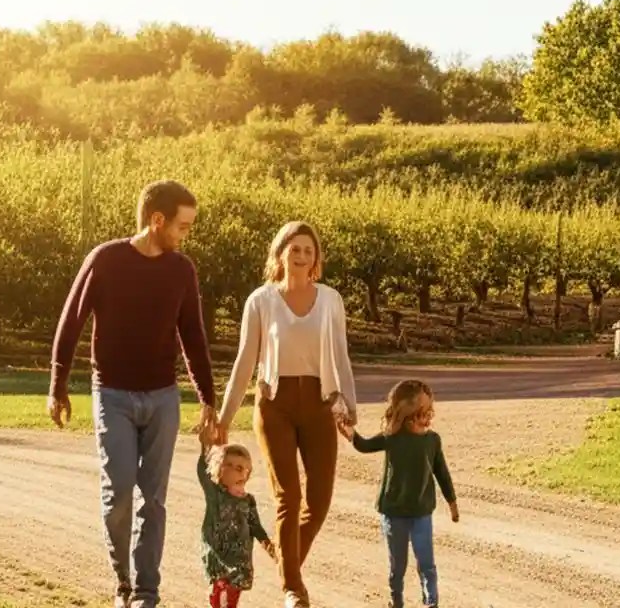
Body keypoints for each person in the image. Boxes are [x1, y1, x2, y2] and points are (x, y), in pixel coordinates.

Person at [48, 179, 219, 608]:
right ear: (156, 220)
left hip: (163, 396)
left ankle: (146, 591)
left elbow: (193, 336)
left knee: (154, 499)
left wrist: (207, 397)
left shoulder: (182, 269)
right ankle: (122, 577)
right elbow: (72, 321)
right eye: (182, 226)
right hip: (114, 393)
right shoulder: (106, 260)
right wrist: (58, 384)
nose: (186, 235)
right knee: (120, 490)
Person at [216, 220, 358, 608]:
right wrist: (225, 419)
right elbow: (245, 361)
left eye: (308, 250)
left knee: (320, 499)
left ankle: (284, 559)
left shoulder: (331, 299)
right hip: (274, 404)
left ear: (316, 259)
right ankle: (293, 587)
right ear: (280, 253)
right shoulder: (261, 301)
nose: (301, 256)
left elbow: (341, 357)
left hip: (319, 403)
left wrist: (350, 408)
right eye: (294, 249)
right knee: (288, 497)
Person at [338, 379, 458, 608]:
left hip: (422, 512)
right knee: (398, 566)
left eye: (431, 412)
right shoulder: (391, 438)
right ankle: (397, 601)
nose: (429, 418)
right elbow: (364, 445)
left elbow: (442, 472)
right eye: (424, 413)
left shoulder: (432, 440)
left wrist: (452, 502)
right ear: (408, 414)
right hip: (394, 513)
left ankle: (431, 603)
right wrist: (350, 433)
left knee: (427, 564)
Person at [196, 439, 277, 608]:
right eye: (230, 465)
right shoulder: (216, 495)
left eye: (241, 468)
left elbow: (255, 526)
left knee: (235, 590)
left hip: (240, 556)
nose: (237, 471)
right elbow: (203, 473)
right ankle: (217, 596)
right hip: (219, 554)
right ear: (219, 469)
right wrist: (206, 446)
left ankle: (222, 600)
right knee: (221, 587)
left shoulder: (248, 501)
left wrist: (267, 544)